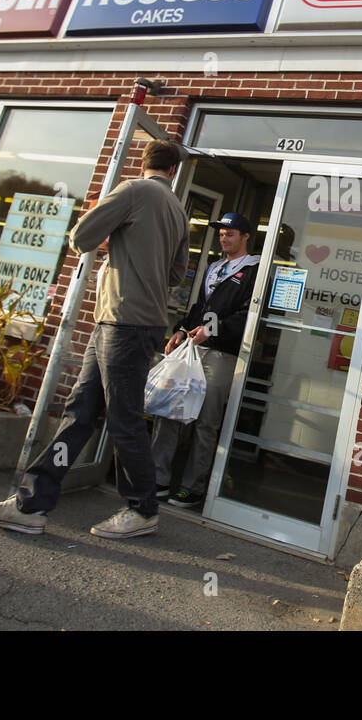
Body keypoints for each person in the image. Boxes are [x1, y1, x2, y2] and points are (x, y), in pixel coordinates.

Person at [0, 139, 188, 539]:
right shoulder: (177, 211)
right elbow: (175, 276)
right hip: (133, 322)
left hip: (122, 321)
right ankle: (30, 504)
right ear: (174, 170)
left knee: (123, 420)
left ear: (144, 164)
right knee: (81, 412)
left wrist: (112, 241)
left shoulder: (134, 190)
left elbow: (81, 236)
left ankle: (142, 509)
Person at [152, 212, 259, 507]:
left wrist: (213, 330)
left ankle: (193, 487)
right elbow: (201, 306)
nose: (224, 238)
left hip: (222, 355)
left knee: (206, 422)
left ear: (245, 237)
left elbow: (248, 315)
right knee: (169, 410)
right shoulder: (214, 268)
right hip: (192, 350)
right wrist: (182, 329)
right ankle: (157, 479)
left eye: (230, 234)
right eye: (221, 234)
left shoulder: (254, 270)